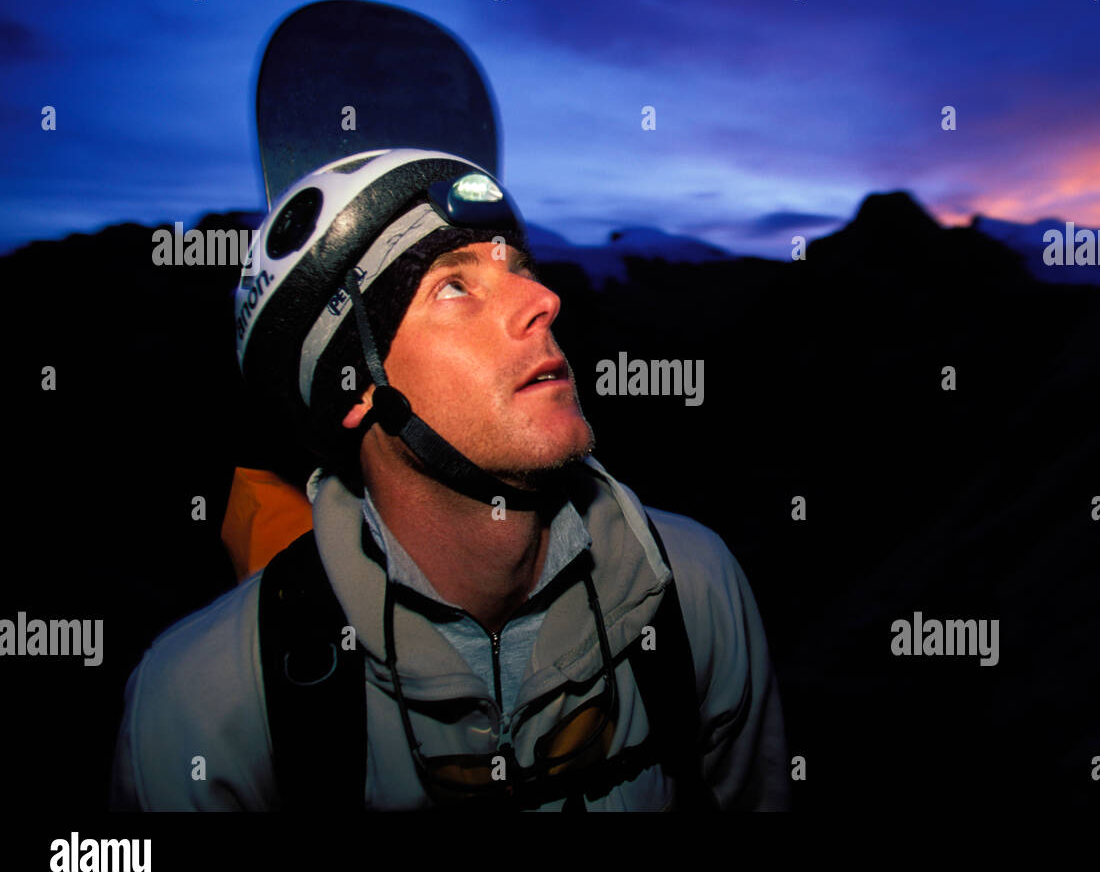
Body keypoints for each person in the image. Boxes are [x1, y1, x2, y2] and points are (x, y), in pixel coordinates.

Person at [110, 149, 790, 811]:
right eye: (454, 286)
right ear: (354, 387)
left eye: (521, 269)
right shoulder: (201, 702)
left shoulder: (691, 587)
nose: (545, 300)